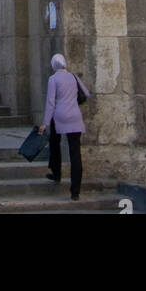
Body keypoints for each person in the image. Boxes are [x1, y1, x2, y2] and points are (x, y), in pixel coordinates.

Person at [39, 53, 89, 200]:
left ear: (53, 65)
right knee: (75, 153)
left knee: (55, 142)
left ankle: (56, 173)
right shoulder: (73, 77)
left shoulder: (53, 79)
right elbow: (86, 93)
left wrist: (45, 123)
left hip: (59, 116)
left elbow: (50, 103)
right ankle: (75, 192)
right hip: (75, 116)